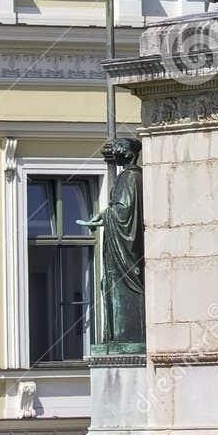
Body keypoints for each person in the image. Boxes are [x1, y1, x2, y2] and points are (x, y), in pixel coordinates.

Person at [80, 136, 145, 349]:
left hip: (124, 250)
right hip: (118, 244)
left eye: (117, 149)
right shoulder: (127, 177)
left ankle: (124, 337)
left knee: (118, 287)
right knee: (109, 285)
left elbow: (124, 211)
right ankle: (115, 337)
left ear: (128, 152)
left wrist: (106, 216)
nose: (113, 152)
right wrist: (104, 215)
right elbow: (119, 208)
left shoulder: (130, 177)